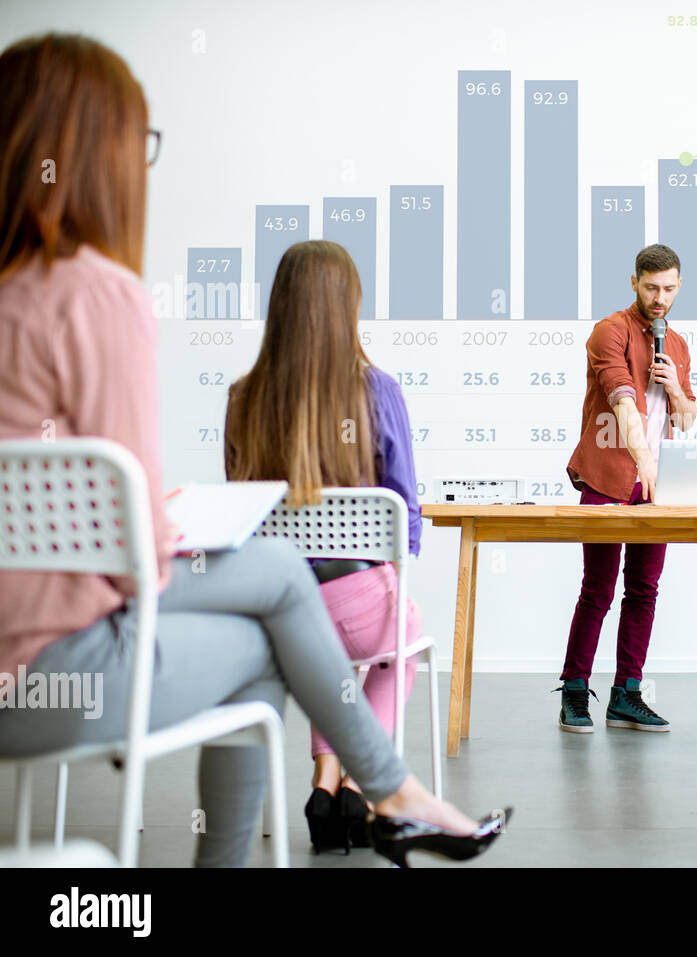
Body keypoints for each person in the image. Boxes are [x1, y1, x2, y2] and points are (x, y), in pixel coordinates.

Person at [0, 32, 507, 868]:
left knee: (274, 576)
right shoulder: (95, 293)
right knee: (272, 612)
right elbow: (139, 564)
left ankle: (378, 790)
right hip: (61, 672)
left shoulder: (239, 390)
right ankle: (391, 790)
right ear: (95, 153)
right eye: (137, 142)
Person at [224, 240, 426, 852]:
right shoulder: (378, 389)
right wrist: (391, 571)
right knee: (400, 643)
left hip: (277, 612)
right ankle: (355, 788)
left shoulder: (243, 397)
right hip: (358, 599)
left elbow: (241, 511)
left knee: (325, 651)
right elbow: (405, 511)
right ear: (349, 307)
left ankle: (324, 776)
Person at [558, 244, 697, 732]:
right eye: (651, 287)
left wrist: (677, 388)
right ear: (634, 282)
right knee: (597, 588)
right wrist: (645, 464)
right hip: (610, 477)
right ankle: (575, 691)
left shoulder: (676, 345)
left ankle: (627, 694)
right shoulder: (609, 331)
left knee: (644, 589)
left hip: (656, 486)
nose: (660, 298)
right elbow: (622, 401)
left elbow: (687, 417)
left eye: (669, 289)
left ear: (679, 287)